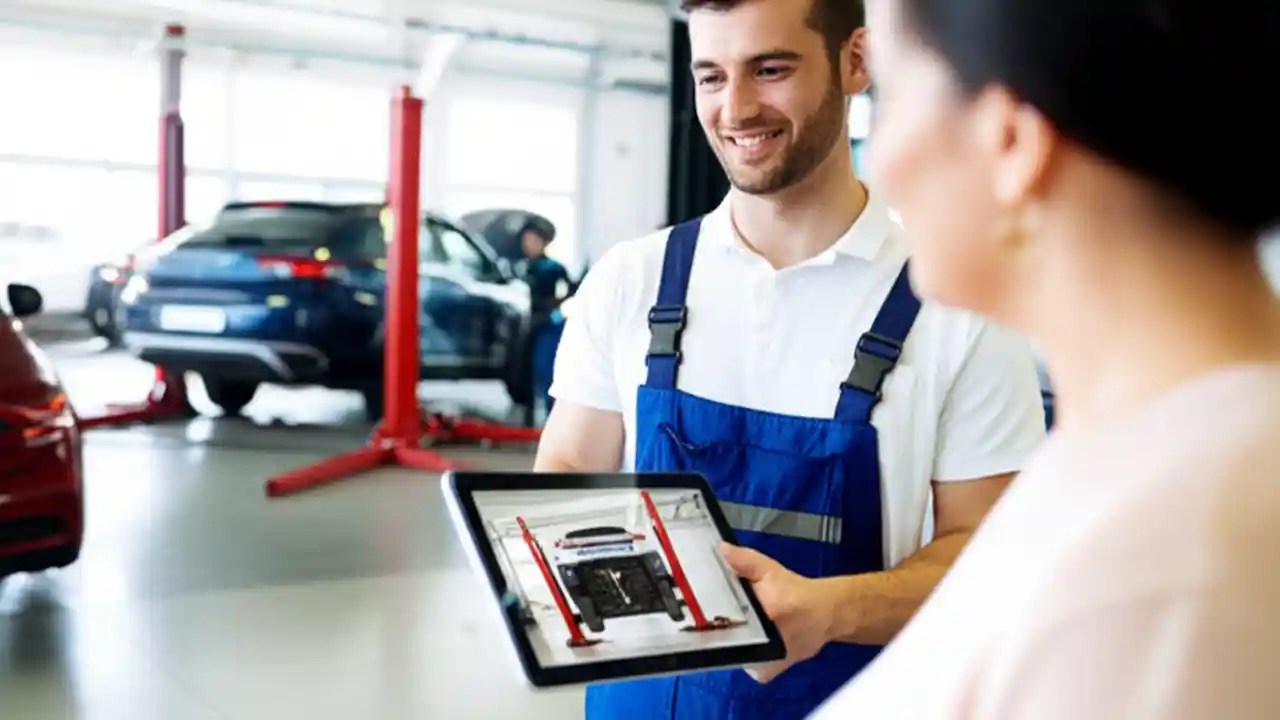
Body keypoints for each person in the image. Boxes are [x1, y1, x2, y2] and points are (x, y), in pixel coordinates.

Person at [533, 0, 1048, 717]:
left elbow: (991, 559)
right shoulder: (632, 279)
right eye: (710, 77)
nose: (736, 109)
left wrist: (831, 609)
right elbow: (566, 470)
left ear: (856, 62)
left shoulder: (959, 307)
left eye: (770, 69)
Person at [811, 1, 1280, 718]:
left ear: (1010, 142)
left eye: (890, 95)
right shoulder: (1143, 454)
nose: (884, 163)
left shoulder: (1156, 568)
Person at [517, 222, 573, 415]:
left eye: (533, 240)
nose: (529, 244)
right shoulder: (520, 269)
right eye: (526, 240)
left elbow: (571, 290)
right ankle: (527, 416)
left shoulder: (553, 268)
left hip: (547, 325)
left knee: (547, 372)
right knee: (524, 374)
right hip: (525, 328)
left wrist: (554, 303)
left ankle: (552, 416)